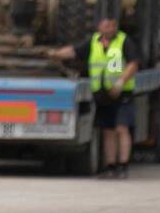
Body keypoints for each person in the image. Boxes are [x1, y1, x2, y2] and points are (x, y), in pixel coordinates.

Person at [49, 13, 141, 178]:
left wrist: (120, 83)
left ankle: (123, 166)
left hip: (121, 93)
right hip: (102, 95)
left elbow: (133, 64)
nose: (109, 29)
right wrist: (55, 54)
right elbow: (73, 51)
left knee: (122, 128)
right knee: (108, 131)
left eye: (112, 26)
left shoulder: (123, 41)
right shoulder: (93, 42)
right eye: (106, 26)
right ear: (99, 27)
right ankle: (111, 166)